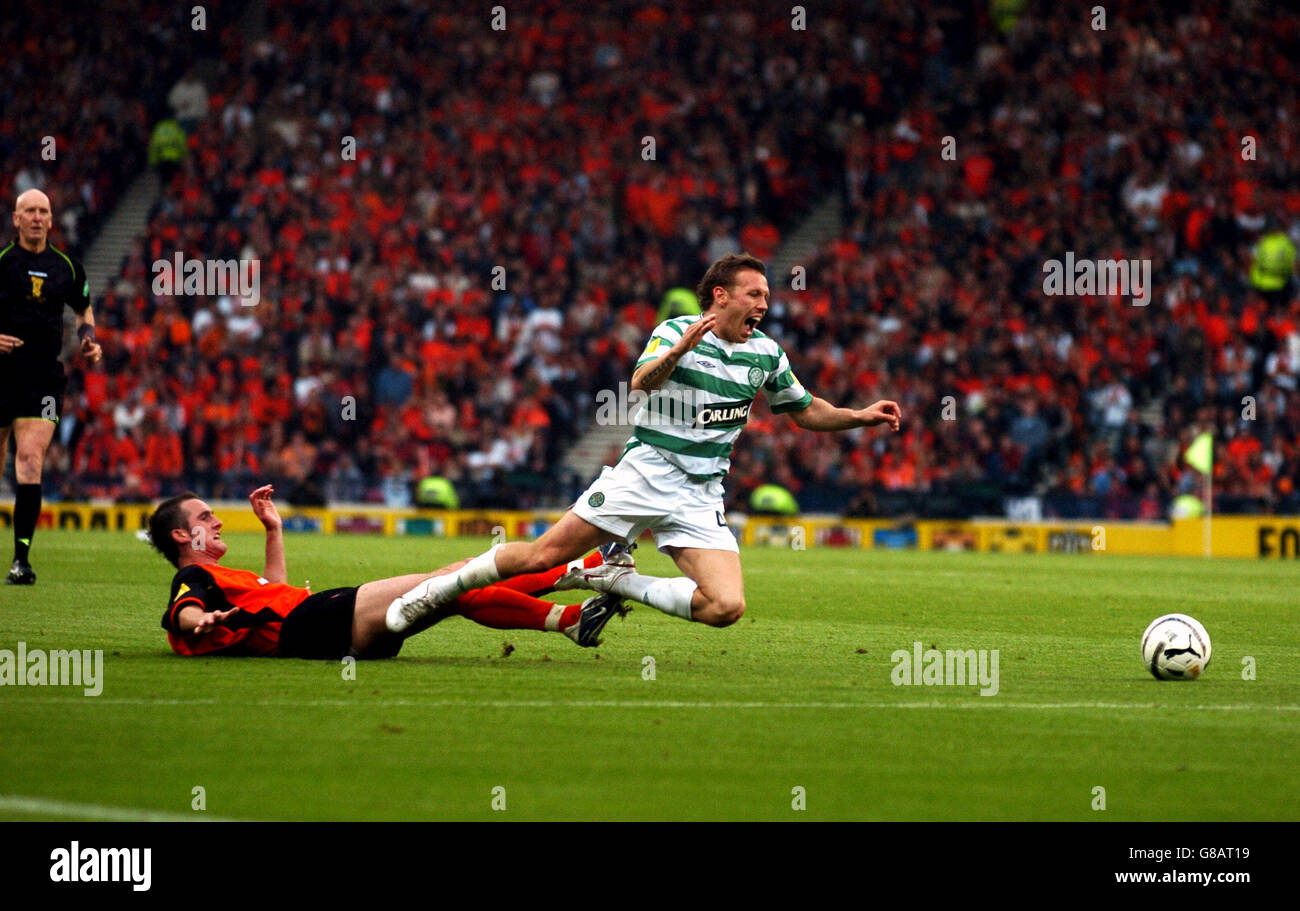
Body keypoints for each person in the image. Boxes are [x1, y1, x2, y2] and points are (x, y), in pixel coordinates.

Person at [386, 252, 902, 635]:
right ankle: (432, 592)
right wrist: (678, 351)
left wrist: (859, 416)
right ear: (720, 296)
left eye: (767, 296)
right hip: (646, 473)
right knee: (540, 556)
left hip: (701, 494)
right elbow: (641, 384)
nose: (765, 304)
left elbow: (806, 409)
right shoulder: (674, 330)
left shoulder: (766, 354)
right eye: (755, 294)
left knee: (725, 607)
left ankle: (614, 579)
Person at [148, 485, 626, 659]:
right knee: (456, 578)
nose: (215, 521)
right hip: (319, 623)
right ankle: (583, 570)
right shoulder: (196, 580)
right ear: (179, 538)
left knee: (455, 587)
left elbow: (273, 592)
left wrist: (273, 531)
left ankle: (573, 607)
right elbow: (183, 612)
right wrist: (201, 621)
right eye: (204, 517)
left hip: (323, 629)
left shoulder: (228, 578)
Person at [1, 188, 103, 584]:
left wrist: (88, 338)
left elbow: (83, 308)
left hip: (44, 376)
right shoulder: (3, 263)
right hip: (1, 372)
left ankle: (20, 560)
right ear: (16, 218)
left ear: (51, 218)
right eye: (29, 210)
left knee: (30, 460)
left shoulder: (67, 267)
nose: (37, 217)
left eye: (43, 210)